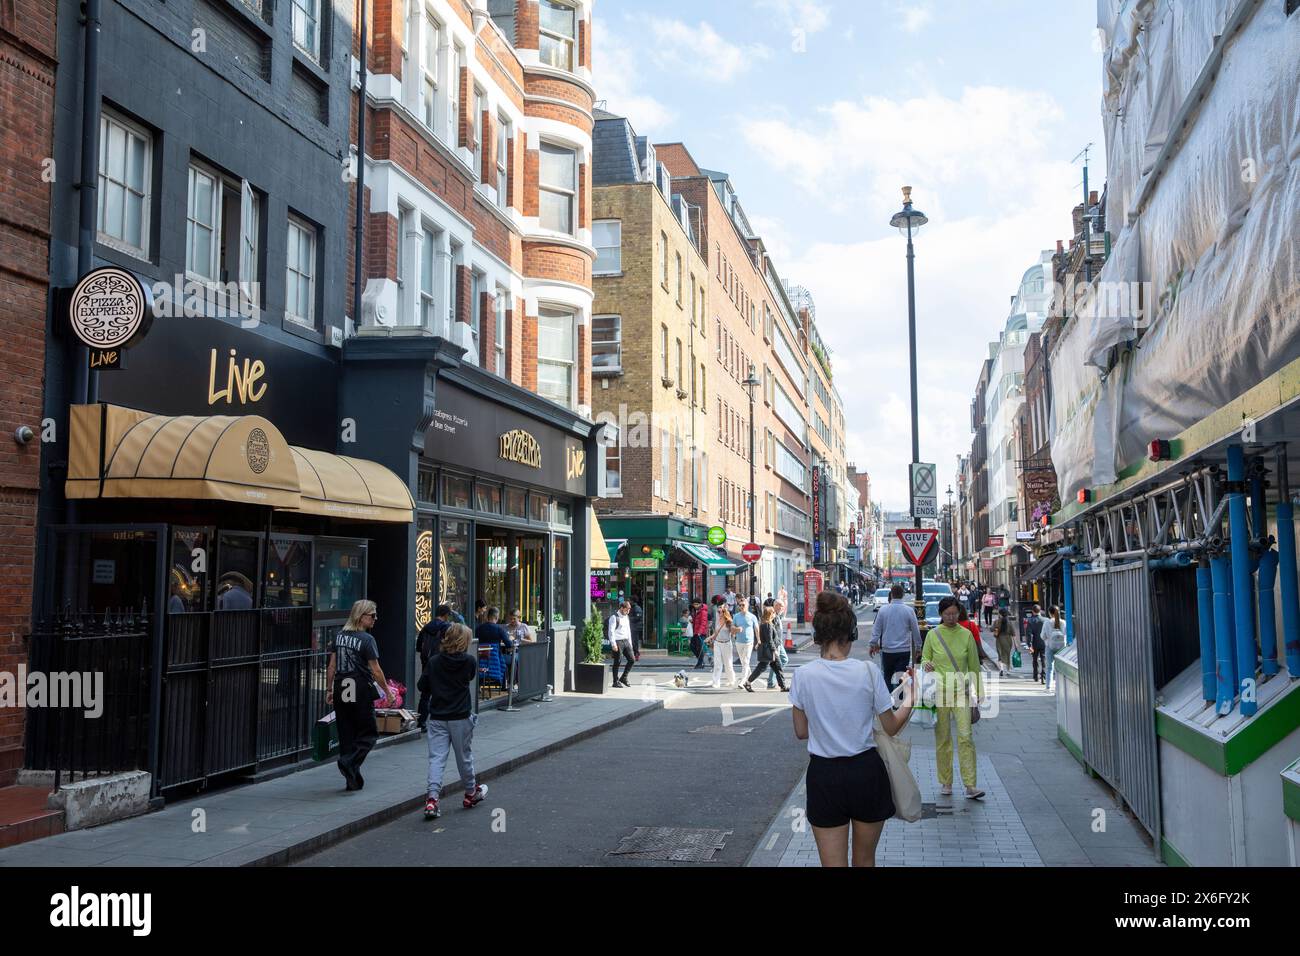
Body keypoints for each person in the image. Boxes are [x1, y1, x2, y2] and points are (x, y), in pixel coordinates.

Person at [790, 590, 914, 867]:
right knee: (865, 860)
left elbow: (801, 731)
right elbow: (891, 727)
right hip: (866, 773)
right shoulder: (867, 671)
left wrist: (828, 723)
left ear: (819, 636)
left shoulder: (803, 676)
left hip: (824, 775)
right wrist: (911, 699)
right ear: (850, 635)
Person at [325, 600, 393, 792]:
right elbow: (376, 670)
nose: (375, 619)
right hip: (359, 687)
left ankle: (352, 780)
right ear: (361, 616)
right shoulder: (366, 639)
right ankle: (348, 762)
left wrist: (329, 689)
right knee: (369, 733)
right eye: (372, 615)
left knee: (347, 734)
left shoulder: (338, 636)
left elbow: (331, 666)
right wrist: (387, 691)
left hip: (341, 686)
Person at [422, 622, 488, 819]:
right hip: (460, 715)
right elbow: (469, 678)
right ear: (463, 641)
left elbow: (422, 685)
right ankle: (470, 792)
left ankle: (432, 800)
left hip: (438, 716)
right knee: (464, 756)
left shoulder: (434, 661)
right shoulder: (469, 661)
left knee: (436, 758)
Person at [921, 596, 985, 800]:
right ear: (941, 614)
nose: (951, 617)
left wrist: (980, 692)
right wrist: (927, 665)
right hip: (939, 692)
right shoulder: (933, 635)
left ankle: (970, 784)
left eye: (954, 614)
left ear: (959, 613)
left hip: (961, 692)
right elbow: (924, 659)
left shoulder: (966, 635)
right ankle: (946, 782)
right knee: (943, 739)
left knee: (966, 737)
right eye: (947, 614)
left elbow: (974, 665)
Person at [868, 585, 921, 698]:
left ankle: (888, 699)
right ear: (903, 595)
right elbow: (916, 630)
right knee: (901, 676)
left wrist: (873, 644)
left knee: (888, 675)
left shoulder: (883, 610)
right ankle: (899, 700)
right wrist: (918, 647)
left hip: (888, 650)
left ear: (891, 594)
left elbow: (876, 629)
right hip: (903, 650)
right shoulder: (909, 610)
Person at [416, 604, 453, 730]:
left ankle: (421, 722)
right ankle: (440, 721)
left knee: (425, 695)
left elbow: (418, 646)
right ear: (446, 615)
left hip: (426, 663)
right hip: (441, 662)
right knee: (443, 693)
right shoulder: (446, 627)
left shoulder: (426, 627)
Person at [744, 606, 788, 692]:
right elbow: (769, 639)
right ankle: (748, 682)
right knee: (763, 667)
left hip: (766, 650)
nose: (775, 614)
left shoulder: (764, 624)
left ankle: (783, 686)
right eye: (773, 613)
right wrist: (774, 650)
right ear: (770, 614)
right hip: (769, 651)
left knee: (777, 667)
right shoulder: (768, 625)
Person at [709, 607, 739, 689]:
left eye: (720, 612)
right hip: (717, 643)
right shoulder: (717, 621)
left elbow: (733, 631)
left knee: (728, 663)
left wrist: (737, 630)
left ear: (724, 613)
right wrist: (710, 638)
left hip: (726, 644)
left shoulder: (729, 622)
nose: (718, 614)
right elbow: (716, 632)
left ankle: (731, 680)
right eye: (718, 612)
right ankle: (716, 682)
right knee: (717, 663)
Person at [608, 600, 635, 688]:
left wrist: (630, 643)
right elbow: (611, 631)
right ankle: (615, 681)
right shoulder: (614, 617)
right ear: (622, 608)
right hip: (618, 641)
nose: (628, 612)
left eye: (629, 610)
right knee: (617, 661)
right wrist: (613, 644)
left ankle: (624, 677)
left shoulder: (626, 617)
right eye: (627, 610)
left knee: (632, 659)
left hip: (626, 641)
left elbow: (628, 631)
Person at [732, 598, 758, 680]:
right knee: (744, 661)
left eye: (743, 605)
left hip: (749, 642)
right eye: (740, 605)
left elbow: (756, 628)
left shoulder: (752, 616)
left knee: (746, 661)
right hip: (739, 642)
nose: (741, 606)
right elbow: (732, 627)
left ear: (747, 605)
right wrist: (736, 629)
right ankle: (749, 674)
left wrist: (759, 640)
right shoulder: (736, 616)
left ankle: (743, 681)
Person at [1042, 606, 1066, 690]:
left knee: (1049, 667)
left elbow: (1043, 636)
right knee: (1060, 668)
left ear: (1049, 613)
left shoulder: (1047, 622)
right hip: (1062, 647)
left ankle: (1048, 686)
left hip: (1050, 646)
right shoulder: (1063, 622)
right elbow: (1065, 634)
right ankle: (1060, 687)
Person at [993, 607, 1014, 678]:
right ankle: (1008, 670)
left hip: (999, 640)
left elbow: (991, 629)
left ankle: (1001, 669)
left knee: (1000, 655)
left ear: (999, 614)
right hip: (1008, 640)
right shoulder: (1009, 622)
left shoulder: (996, 621)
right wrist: (1016, 644)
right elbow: (1013, 633)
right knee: (1007, 655)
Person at [1027, 605, 1046, 682]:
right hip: (1044, 642)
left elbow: (1029, 634)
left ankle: (1035, 676)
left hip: (1034, 643)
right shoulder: (1045, 620)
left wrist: (1029, 644)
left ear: (1033, 611)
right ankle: (1043, 676)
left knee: (1035, 659)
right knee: (1043, 659)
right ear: (1040, 610)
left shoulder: (1030, 620)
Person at [691, 600, 710, 670]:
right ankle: (701, 661)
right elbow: (697, 621)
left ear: (700, 604)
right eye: (694, 604)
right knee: (692, 646)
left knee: (699, 648)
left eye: (697, 604)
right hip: (696, 632)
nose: (695, 606)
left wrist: (700, 632)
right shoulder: (697, 611)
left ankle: (700, 663)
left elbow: (703, 623)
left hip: (701, 633)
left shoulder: (703, 612)